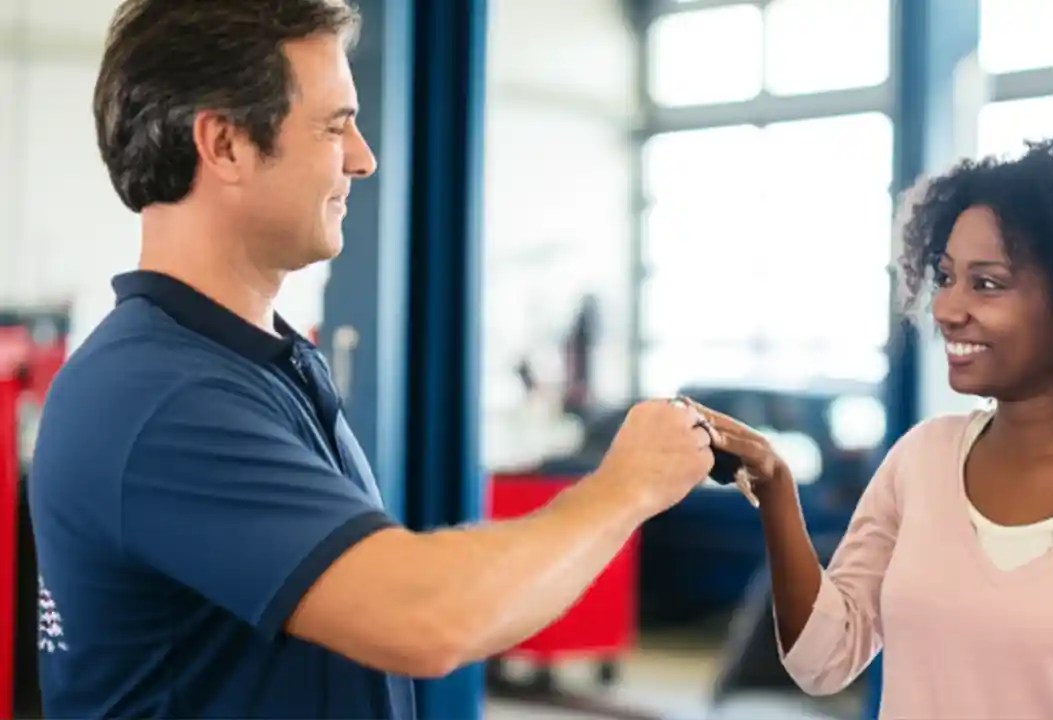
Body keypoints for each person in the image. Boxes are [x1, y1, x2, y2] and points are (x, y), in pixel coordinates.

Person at [28, 1, 716, 717]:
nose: (363, 158)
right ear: (225, 144)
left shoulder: (253, 367)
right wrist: (625, 487)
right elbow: (428, 618)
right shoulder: (158, 397)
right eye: (334, 126)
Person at [697, 136, 1053, 718]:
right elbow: (822, 660)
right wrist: (776, 488)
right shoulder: (921, 458)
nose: (946, 309)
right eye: (946, 277)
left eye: (986, 284)